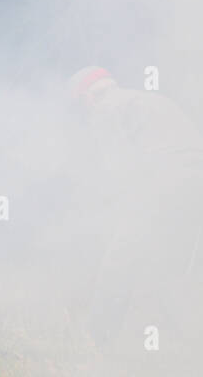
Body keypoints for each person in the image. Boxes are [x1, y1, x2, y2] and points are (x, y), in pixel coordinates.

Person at [66, 67, 203, 340]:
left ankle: (96, 338)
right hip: (193, 187)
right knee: (170, 268)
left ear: (87, 99)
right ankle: (190, 340)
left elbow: (115, 169)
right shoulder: (153, 99)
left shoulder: (104, 110)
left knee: (120, 260)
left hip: (163, 183)